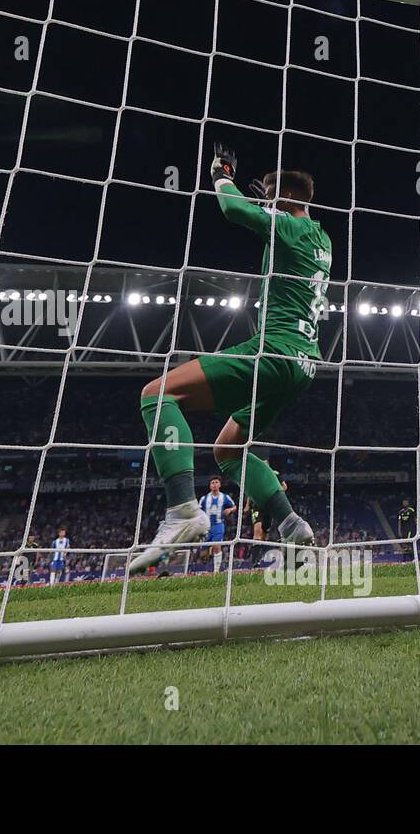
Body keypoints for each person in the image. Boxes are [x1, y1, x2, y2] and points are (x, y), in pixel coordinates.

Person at [131, 144, 329, 573]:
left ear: (289, 201)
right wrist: (272, 202)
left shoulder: (289, 227)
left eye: (273, 197)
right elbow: (279, 219)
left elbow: (232, 210)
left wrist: (222, 175)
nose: (267, 202)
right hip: (305, 363)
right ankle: (291, 526)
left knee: (157, 394)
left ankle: (183, 510)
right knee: (227, 449)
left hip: (272, 351)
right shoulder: (321, 237)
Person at [200, 476, 238, 572]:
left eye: (216, 482)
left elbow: (234, 507)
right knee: (203, 555)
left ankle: (216, 572)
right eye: (212, 483)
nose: (214, 484)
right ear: (210, 486)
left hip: (218, 525)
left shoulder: (224, 497)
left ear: (220, 484)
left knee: (217, 547)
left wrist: (229, 509)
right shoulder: (204, 499)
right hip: (206, 528)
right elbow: (197, 511)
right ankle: (208, 551)